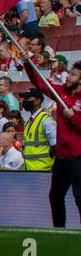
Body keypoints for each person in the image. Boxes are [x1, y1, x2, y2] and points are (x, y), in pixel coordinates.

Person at [25, 59, 81, 227]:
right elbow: (41, 84)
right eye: (69, 73)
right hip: (62, 157)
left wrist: (73, 117)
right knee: (55, 196)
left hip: (78, 157)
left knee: (80, 197)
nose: (68, 76)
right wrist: (27, 63)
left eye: (73, 74)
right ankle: (59, 232)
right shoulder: (61, 92)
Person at [20, 89, 56, 173]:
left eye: (28, 98)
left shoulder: (46, 120)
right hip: (29, 170)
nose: (25, 101)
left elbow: (55, 146)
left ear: (38, 101)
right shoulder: (28, 122)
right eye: (24, 99)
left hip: (44, 171)